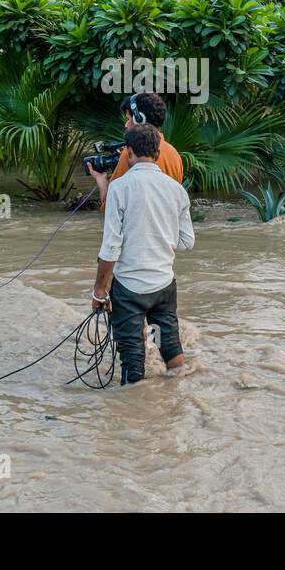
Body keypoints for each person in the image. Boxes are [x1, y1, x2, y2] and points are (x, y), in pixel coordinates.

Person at [89, 123, 194, 385]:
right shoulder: (176, 190)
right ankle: (180, 396)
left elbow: (111, 247)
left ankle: (134, 411)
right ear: (158, 154)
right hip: (163, 287)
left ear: (129, 153)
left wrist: (99, 291)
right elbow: (186, 242)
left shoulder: (120, 187)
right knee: (169, 347)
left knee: (132, 360)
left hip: (129, 290)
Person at [90, 92, 183, 211]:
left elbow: (112, 206)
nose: (126, 124)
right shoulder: (174, 154)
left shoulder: (132, 154)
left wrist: (102, 182)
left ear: (140, 120)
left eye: (128, 119)